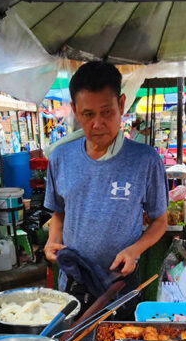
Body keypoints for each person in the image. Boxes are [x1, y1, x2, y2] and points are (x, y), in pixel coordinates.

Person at [43, 61, 168, 311]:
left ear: (121, 105)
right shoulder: (60, 157)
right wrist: (52, 241)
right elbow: (59, 213)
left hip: (120, 283)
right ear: (76, 112)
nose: (98, 123)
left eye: (107, 112)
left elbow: (160, 221)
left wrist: (134, 250)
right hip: (73, 283)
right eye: (88, 114)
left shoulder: (145, 160)